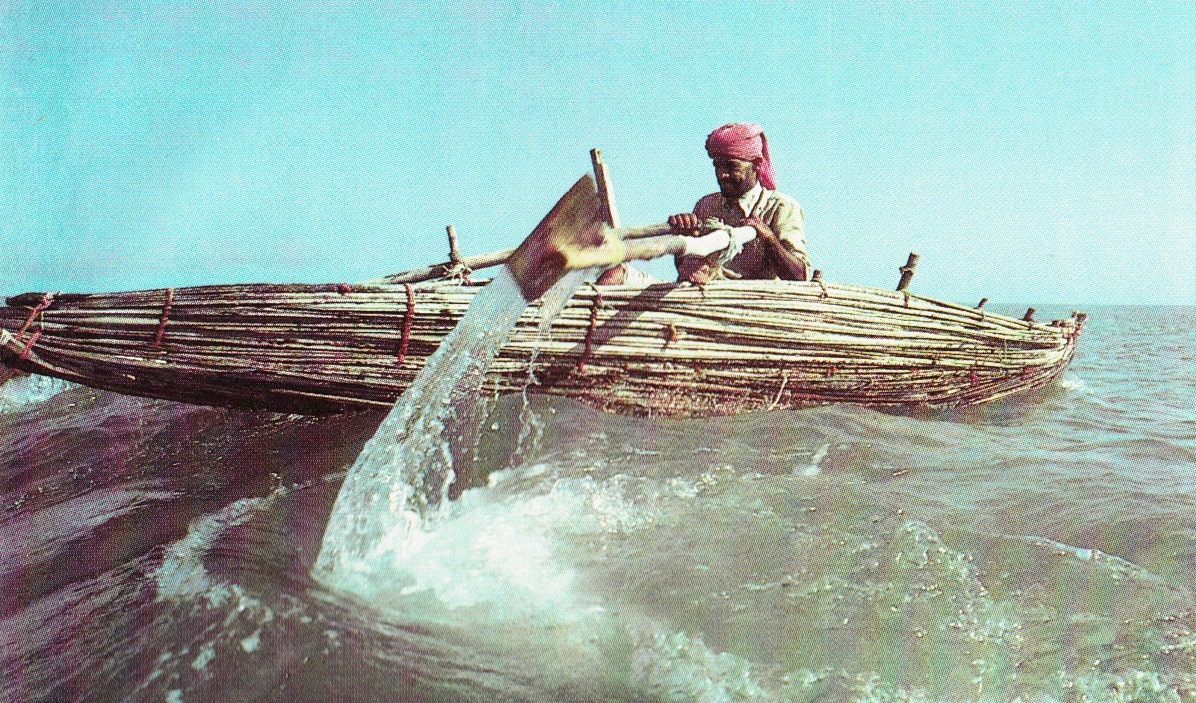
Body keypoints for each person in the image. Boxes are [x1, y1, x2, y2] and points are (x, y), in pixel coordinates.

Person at [598, 123, 810, 285]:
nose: (722, 175)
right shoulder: (707, 205)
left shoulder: (781, 207)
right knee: (613, 275)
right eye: (717, 166)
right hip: (697, 296)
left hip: (744, 306)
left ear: (757, 164)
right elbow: (686, 267)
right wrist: (686, 234)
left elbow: (800, 276)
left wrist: (768, 238)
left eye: (731, 166)